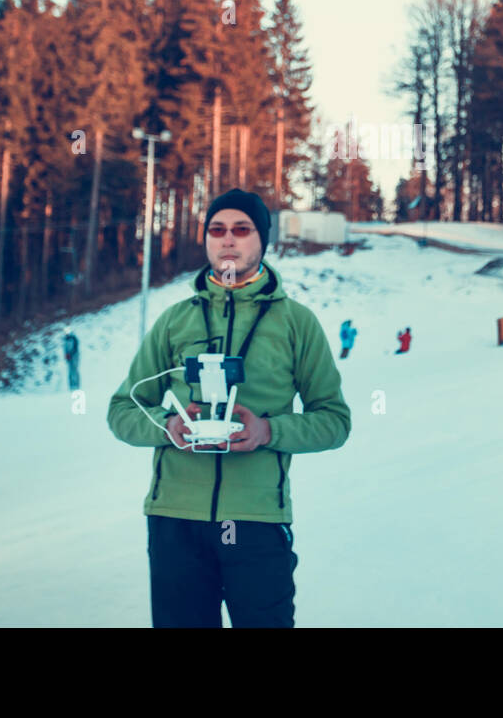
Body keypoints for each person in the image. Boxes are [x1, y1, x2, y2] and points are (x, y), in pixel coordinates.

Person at [107, 188, 350, 629]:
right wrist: (167, 426)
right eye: (216, 230)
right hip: (174, 519)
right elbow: (123, 408)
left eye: (242, 229)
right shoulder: (175, 320)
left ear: (263, 240)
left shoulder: (296, 323)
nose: (228, 240)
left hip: (257, 517)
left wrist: (267, 431)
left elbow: (334, 421)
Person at [63, 325, 81, 389]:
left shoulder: (73, 338)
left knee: (74, 370)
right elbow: (65, 348)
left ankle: (76, 385)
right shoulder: (65, 339)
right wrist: (66, 355)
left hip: (74, 357)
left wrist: (70, 354)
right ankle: (71, 385)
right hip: (69, 357)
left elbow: (74, 348)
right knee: (70, 371)